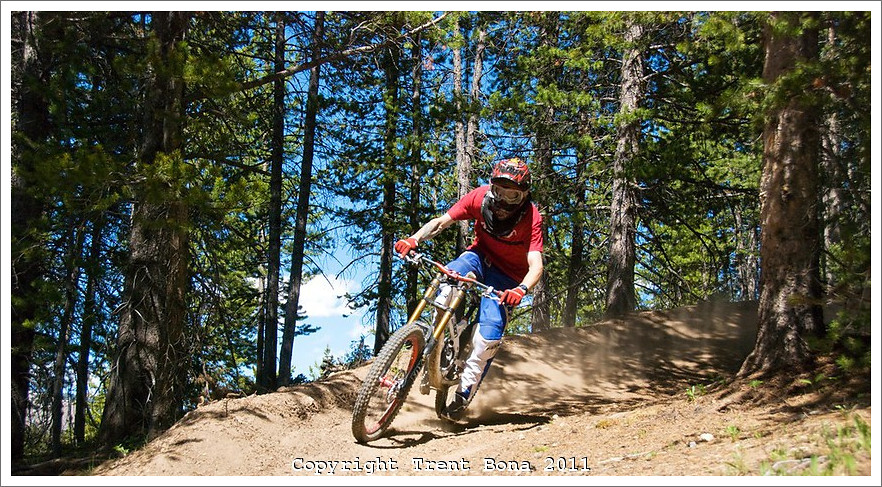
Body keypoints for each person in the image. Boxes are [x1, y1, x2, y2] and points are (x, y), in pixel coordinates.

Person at [394, 157, 544, 420]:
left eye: (512, 195)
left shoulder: (531, 217)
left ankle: (464, 394)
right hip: (478, 258)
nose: (503, 201)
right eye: (499, 191)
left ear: (525, 195)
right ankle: (440, 343)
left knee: (487, 338)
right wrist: (414, 239)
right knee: (447, 282)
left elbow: (536, 264)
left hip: (506, 280)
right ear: (490, 188)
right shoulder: (479, 198)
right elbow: (443, 221)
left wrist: (521, 289)